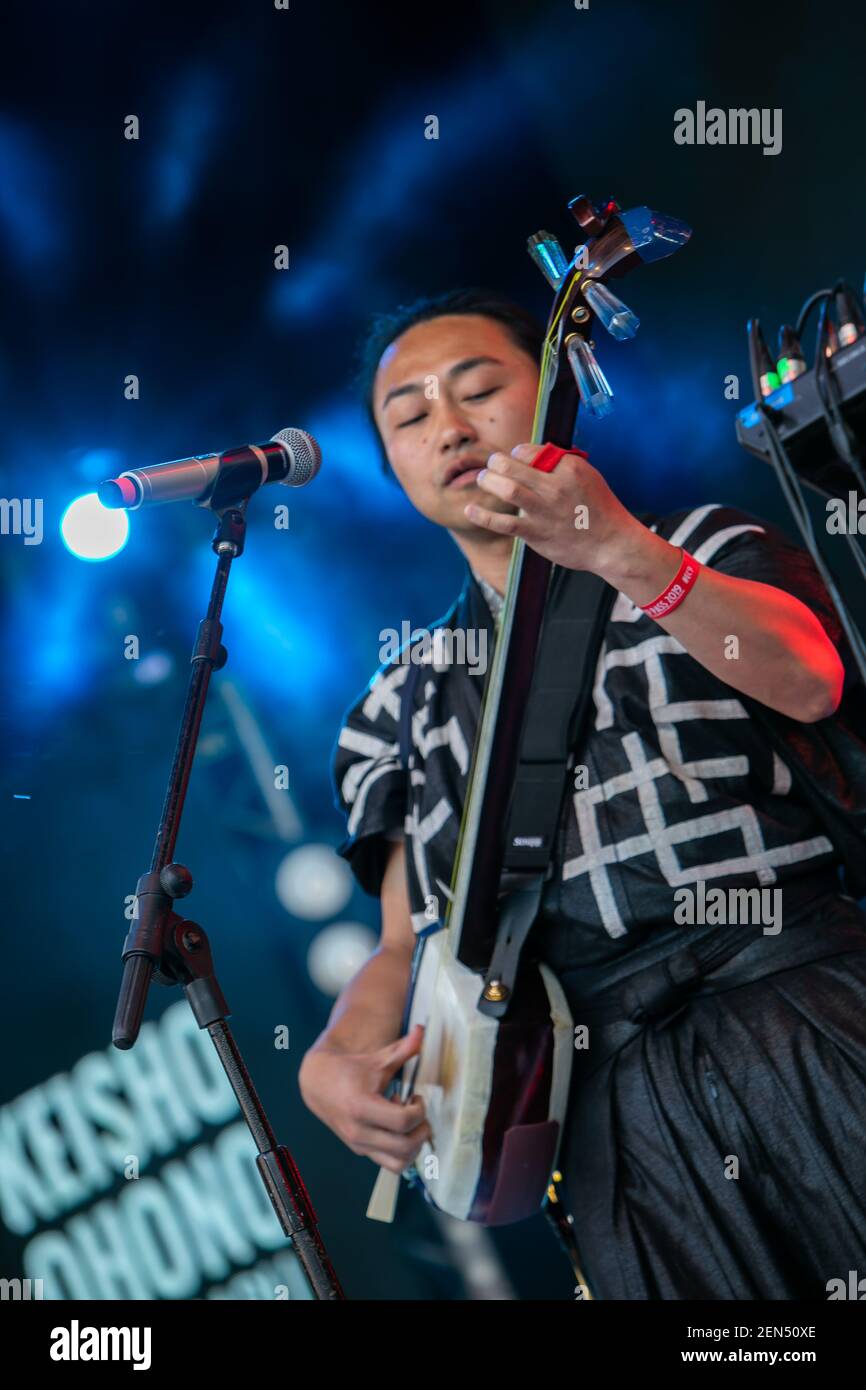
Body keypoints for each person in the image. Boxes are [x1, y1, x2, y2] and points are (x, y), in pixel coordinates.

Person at [298, 287, 866, 1299]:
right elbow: (403, 944)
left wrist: (619, 551)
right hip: (608, 1109)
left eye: (479, 389)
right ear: (389, 465)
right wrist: (333, 1056)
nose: (452, 428)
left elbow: (809, 678)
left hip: (801, 1008)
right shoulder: (393, 704)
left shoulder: (699, 544)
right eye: (411, 415)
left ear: (555, 390)